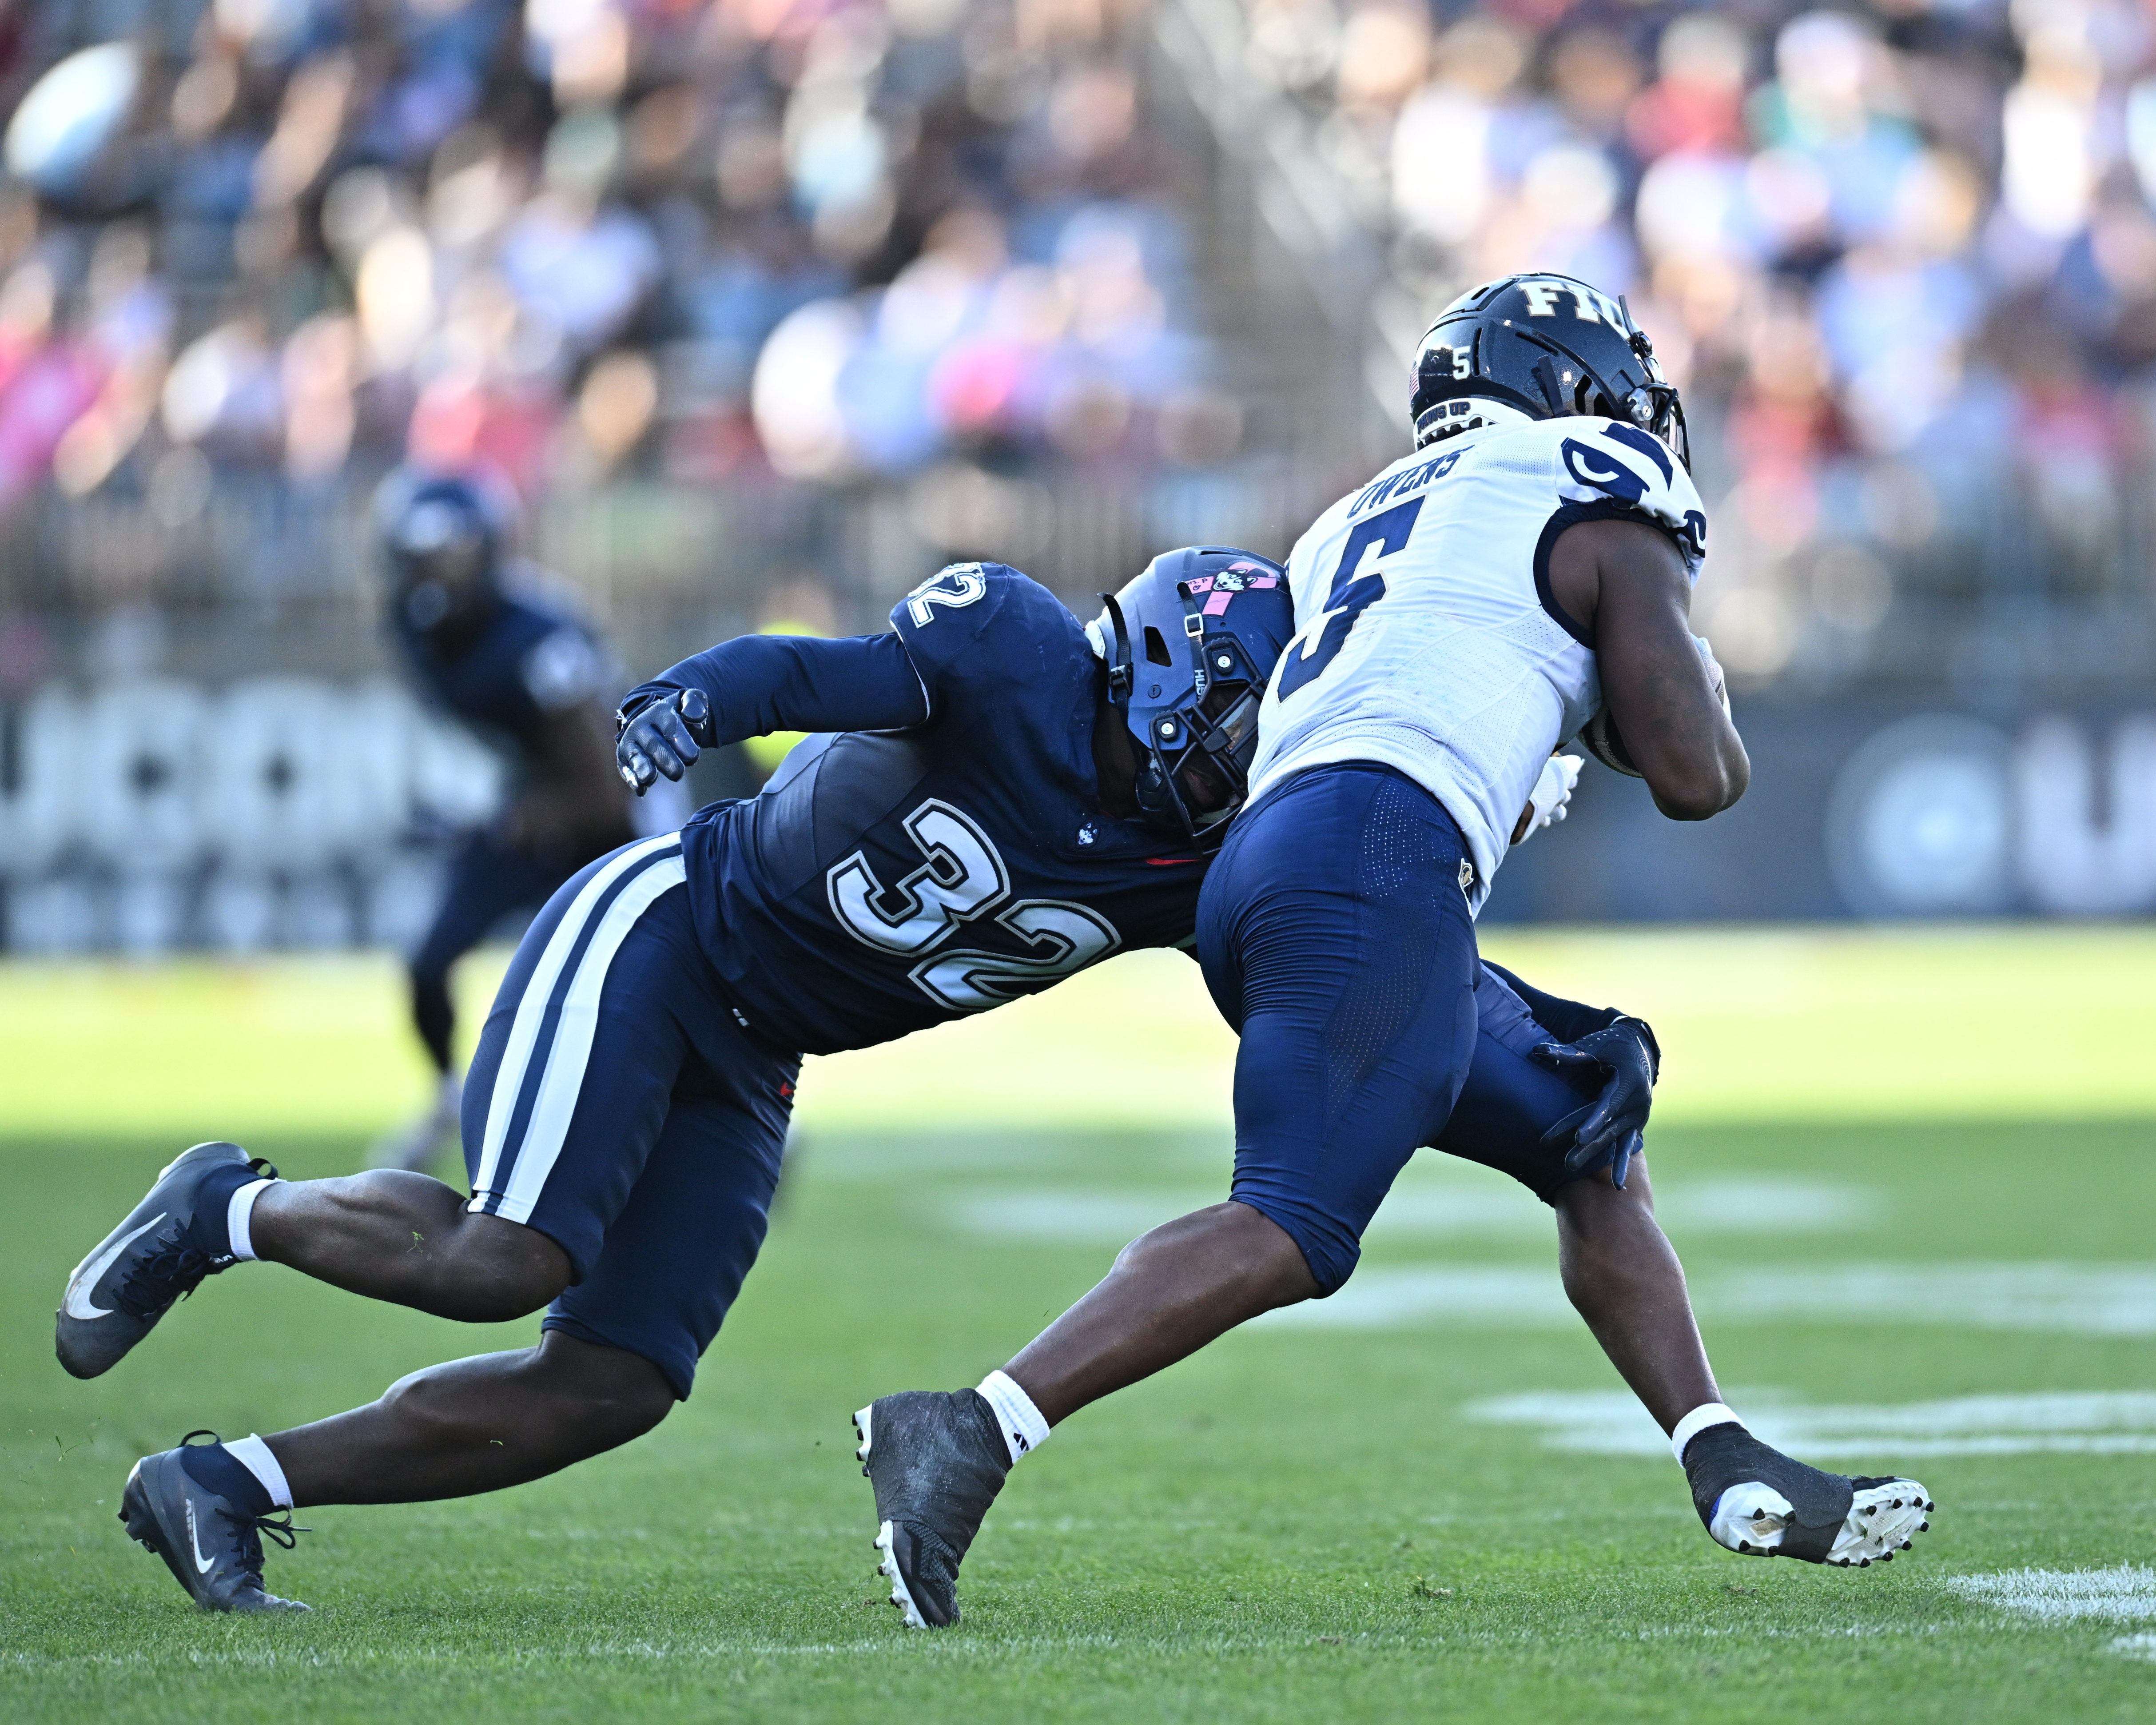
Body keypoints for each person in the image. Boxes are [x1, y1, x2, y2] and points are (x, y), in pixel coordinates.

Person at [854, 272, 1935, 1629]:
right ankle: (966, 1426)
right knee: (1293, 1221)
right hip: (1372, 851)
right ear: (1564, 385)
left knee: (1584, 1117)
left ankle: (1719, 1455)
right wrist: (1661, 681)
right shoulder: (1596, 480)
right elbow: (1694, 771)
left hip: (1272, 862)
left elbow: (1446, 680)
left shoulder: (1348, 520)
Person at [55, 546, 1319, 1613]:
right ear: (1162, 670)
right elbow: (801, 672)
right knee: (507, 1259)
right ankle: (221, 1208)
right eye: (1238, 726)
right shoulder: (1012, 653)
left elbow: (1303, 971)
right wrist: (698, 701)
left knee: (617, 1379)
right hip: (668, 934)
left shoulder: (1190, 866)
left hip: (761, 1043)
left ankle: (224, 1485)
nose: (1242, 765)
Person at [369, 470, 653, 1171]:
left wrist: (509, 817)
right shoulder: (412, 623)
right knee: (431, 963)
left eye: (452, 555)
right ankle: (445, 1095)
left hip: (616, 814)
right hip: (531, 799)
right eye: (419, 558)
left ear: (490, 553)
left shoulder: (538, 642)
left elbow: (611, 792)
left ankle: (734, 1117)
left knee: (636, 992)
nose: (435, 575)